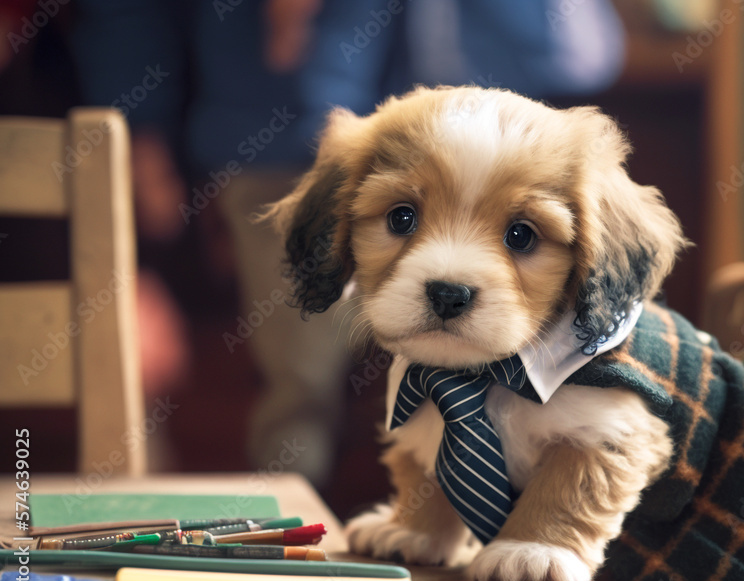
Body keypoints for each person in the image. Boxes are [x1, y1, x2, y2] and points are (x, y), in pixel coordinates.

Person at [70, 0, 626, 486]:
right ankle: (288, 538)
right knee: (300, 385)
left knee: (479, 373)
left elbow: (571, 46)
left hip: (487, 127)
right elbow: (126, 12)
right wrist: (142, 126)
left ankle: (448, 523)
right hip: (280, 138)